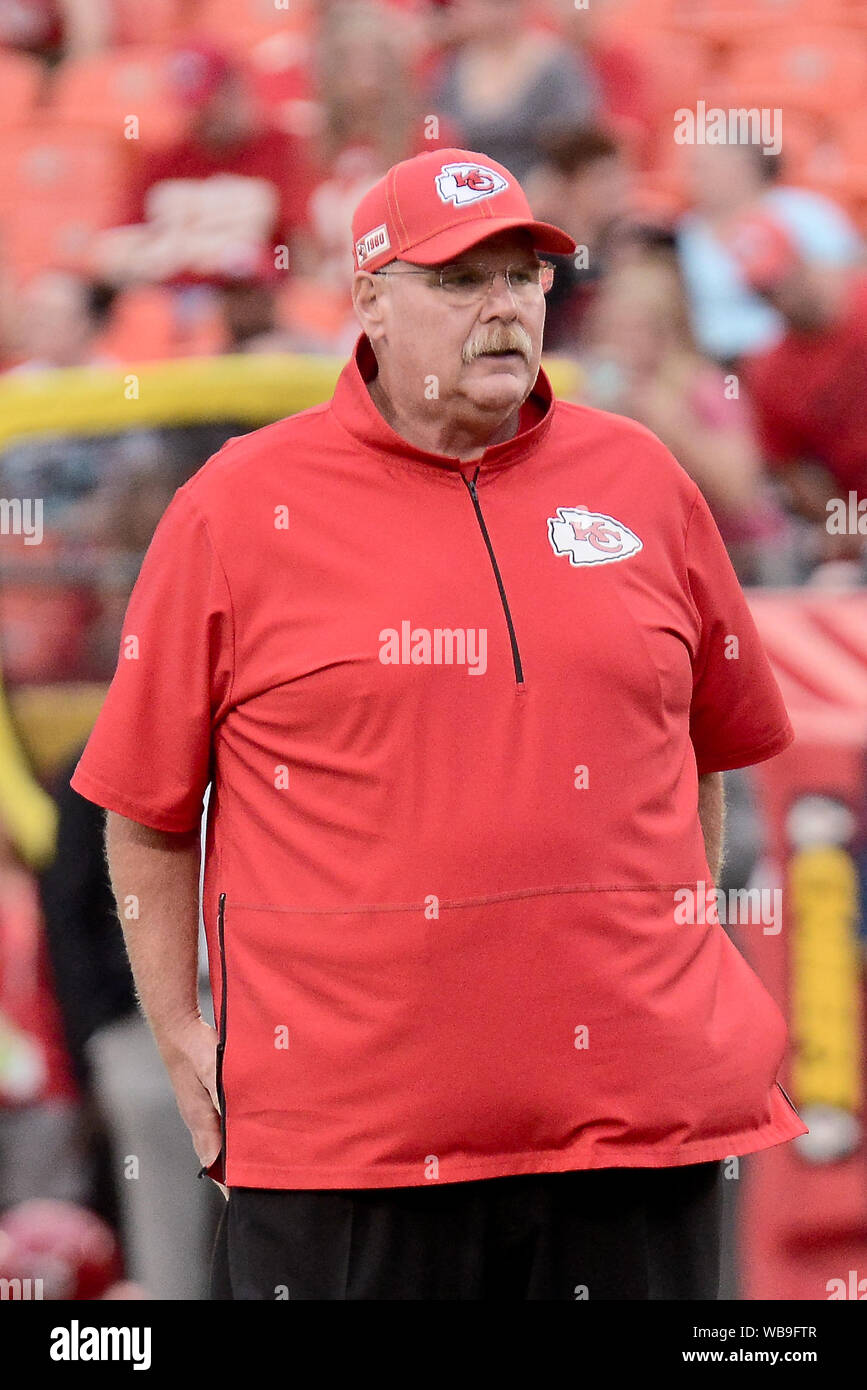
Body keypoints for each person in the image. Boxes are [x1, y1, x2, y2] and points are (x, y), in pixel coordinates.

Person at [70, 146, 807, 1302]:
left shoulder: (645, 481)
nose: (505, 306)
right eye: (461, 281)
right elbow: (146, 808)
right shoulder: (235, 506)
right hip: (350, 1152)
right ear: (368, 302)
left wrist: (654, 974)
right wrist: (182, 1033)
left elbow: (697, 754)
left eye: (525, 277)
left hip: (634, 1136)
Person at [580, 250, 792, 585]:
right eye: (609, 328)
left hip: (745, 562)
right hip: (659, 562)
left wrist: (671, 425)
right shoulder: (601, 397)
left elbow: (740, 494)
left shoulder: (707, 389)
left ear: (666, 332)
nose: (615, 343)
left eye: (631, 329)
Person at [728, 211, 867, 573]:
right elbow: (789, 464)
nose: (778, 298)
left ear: (801, 262)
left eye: (780, 280)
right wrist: (844, 520)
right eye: (764, 292)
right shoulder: (770, 371)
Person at [676, 143, 863, 366]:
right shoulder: (684, 232)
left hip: (798, 351)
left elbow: (851, 280)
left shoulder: (803, 211)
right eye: (694, 168)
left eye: (705, 167)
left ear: (745, 165)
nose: (694, 178)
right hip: (713, 360)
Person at [431, 0, 598, 180]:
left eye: (505, 4)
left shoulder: (554, 63)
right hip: (470, 187)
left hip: (539, 189)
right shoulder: (453, 66)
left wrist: (550, 183)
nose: (496, 15)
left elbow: (576, 140)